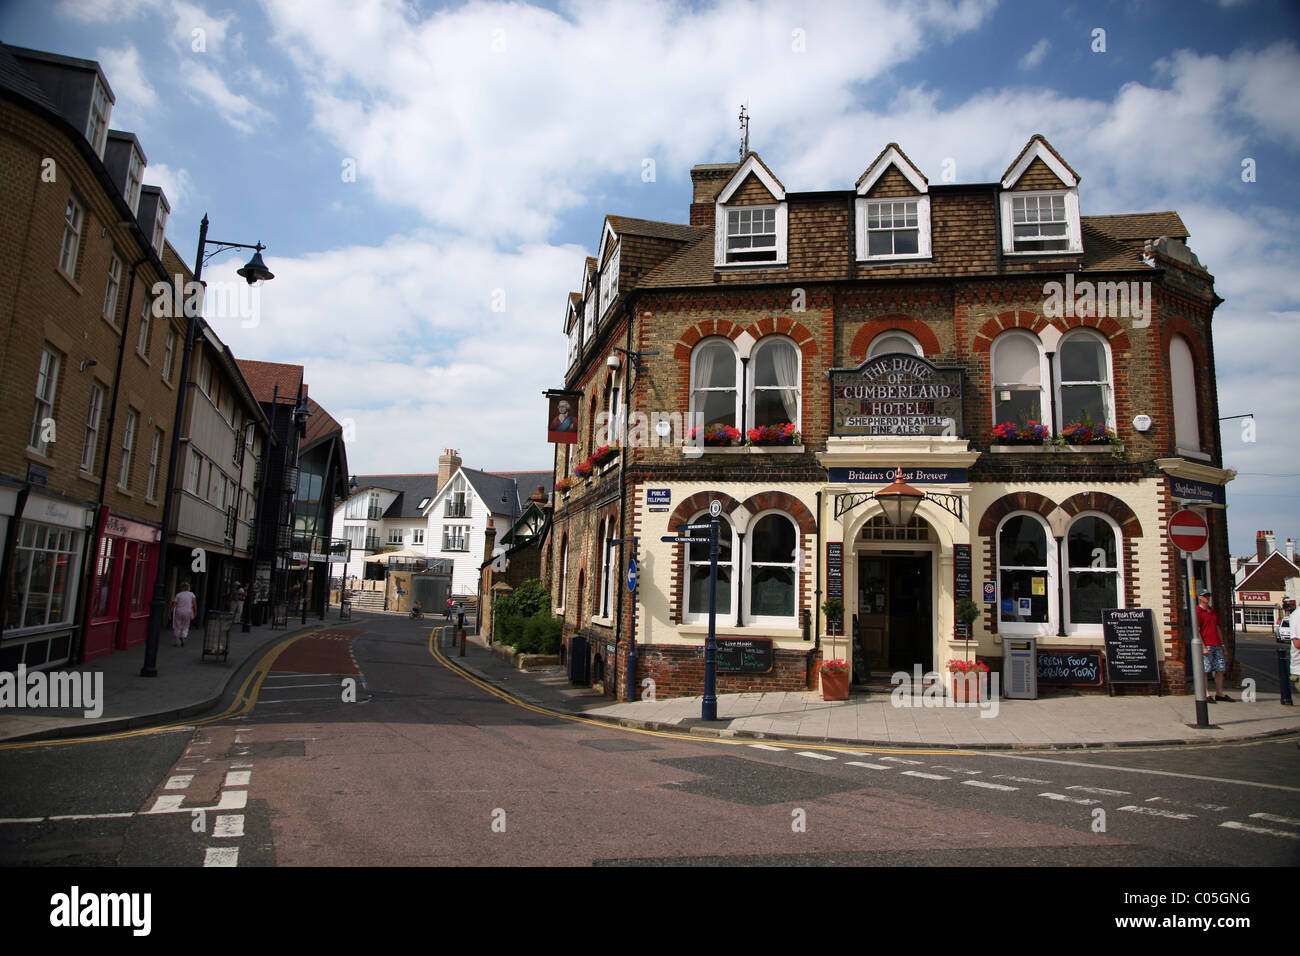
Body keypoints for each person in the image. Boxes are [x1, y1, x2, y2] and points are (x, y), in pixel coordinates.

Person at [1197, 589, 1230, 701]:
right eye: (1205, 596)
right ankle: (1206, 694)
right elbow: (1197, 630)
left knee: (1220, 669)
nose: (1207, 598)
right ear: (1200, 597)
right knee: (1206, 670)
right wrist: (1203, 646)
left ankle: (1219, 693)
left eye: (1208, 596)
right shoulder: (1198, 611)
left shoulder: (1212, 611)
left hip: (1217, 644)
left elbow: (1217, 628)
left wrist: (1222, 644)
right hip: (1207, 644)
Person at [170, 581, 198, 647]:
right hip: (188, 611)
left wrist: (170, 612)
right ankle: (183, 636)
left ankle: (177, 642)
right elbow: (194, 604)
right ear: (188, 588)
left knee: (177, 626)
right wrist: (195, 611)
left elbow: (174, 604)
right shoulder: (191, 594)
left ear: (181, 588)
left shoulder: (178, 595)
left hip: (178, 611)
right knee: (186, 625)